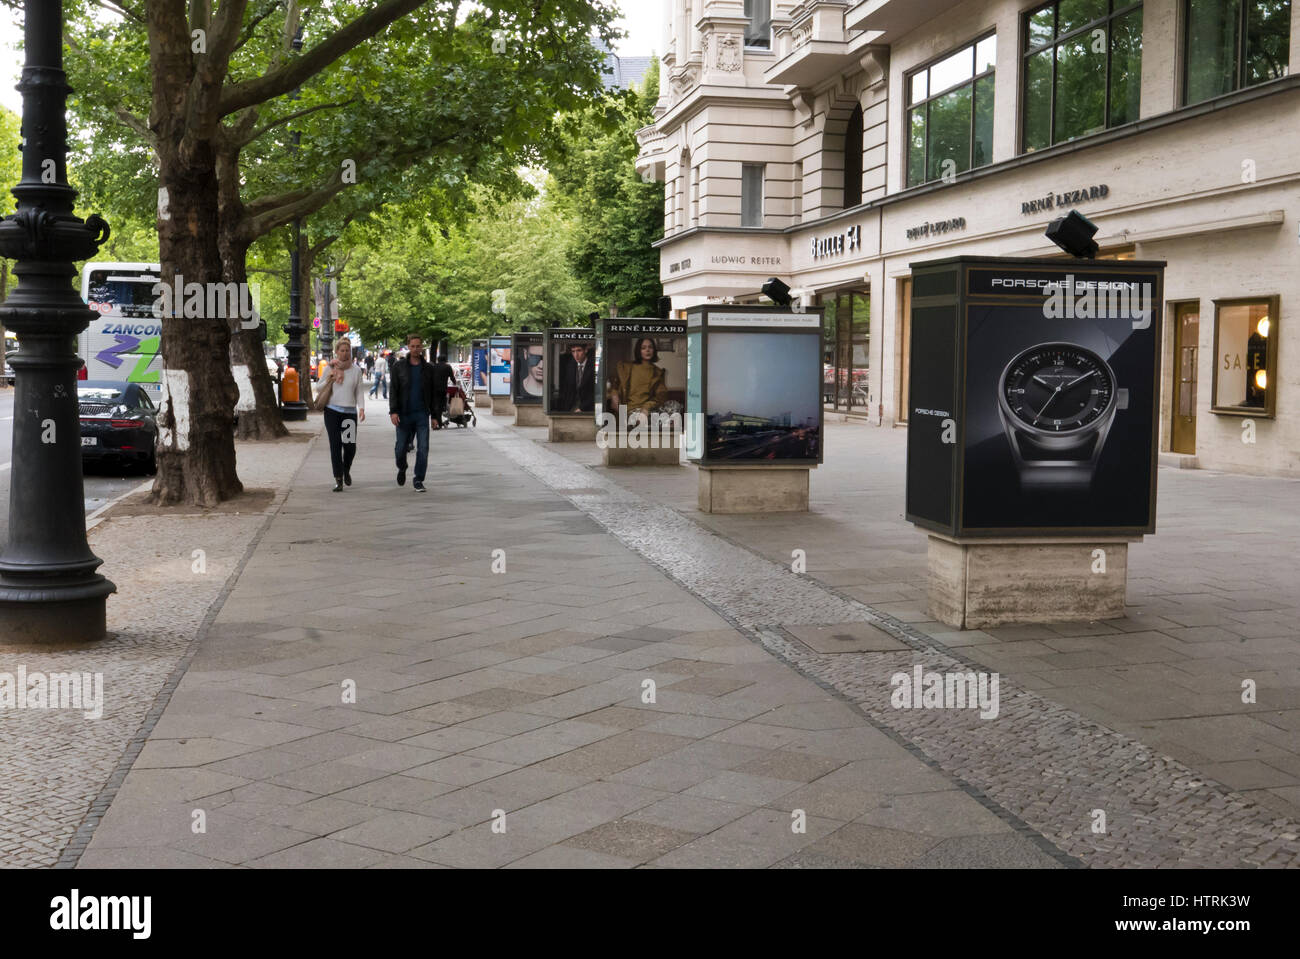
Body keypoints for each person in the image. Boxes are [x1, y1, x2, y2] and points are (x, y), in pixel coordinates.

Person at [389, 334, 436, 492]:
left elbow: (434, 393)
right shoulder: (399, 366)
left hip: (422, 414)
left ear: (422, 347)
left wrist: (435, 416)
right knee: (400, 448)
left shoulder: (428, 368)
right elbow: (394, 390)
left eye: (419, 346)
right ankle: (402, 468)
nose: (416, 349)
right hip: (404, 413)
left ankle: (418, 479)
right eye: (413, 346)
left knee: (423, 448)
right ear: (408, 347)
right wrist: (393, 412)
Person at [321, 339, 366, 492]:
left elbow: (359, 391)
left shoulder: (356, 370)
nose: (345, 353)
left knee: (350, 447)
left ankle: (346, 469)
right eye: (342, 350)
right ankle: (338, 478)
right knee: (335, 446)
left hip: (349, 413)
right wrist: (330, 378)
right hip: (332, 411)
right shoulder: (330, 368)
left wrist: (362, 408)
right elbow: (319, 387)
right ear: (337, 352)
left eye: (347, 350)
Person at [607, 337, 669, 421]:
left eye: (650, 347)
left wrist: (646, 408)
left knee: (674, 407)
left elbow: (660, 396)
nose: (647, 350)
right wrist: (614, 395)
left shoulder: (657, 372)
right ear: (638, 350)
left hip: (648, 410)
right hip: (630, 410)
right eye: (643, 348)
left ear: (654, 350)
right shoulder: (626, 367)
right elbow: (615, 386)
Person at [555, 341, 594, 412]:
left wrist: (582, 408)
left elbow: (596, 392)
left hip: (588, 408)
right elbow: (566, 390)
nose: (576, 355)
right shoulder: (570, 366)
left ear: (586, 350)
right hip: (571, 407)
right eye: (573, 351)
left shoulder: (593, 366)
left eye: (579, 350)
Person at [430, 353, 456, 429]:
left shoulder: (434, 367)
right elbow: (452, 377)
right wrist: (455, 383)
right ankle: (439, 422)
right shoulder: (447, 367)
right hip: (443, 388)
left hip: (434, 389)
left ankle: (436, 422)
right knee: (440, 406)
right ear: (445, 360)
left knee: (435, 405)